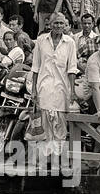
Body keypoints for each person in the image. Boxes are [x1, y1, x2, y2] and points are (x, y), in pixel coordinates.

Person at [29, 12, 79, 145]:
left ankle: (57, 161)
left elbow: (72, 69)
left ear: (65, 25)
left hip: (62, 88)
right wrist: (34, 90)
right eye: (55, 23)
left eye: (61, 23)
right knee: (43, 125)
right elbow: (35, 67)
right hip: (44, 87)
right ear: (50, 24)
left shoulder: (70, 43)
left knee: (60, 125)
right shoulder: (41, 41)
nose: (58, 25)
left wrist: (72, 91)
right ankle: (45, 161)